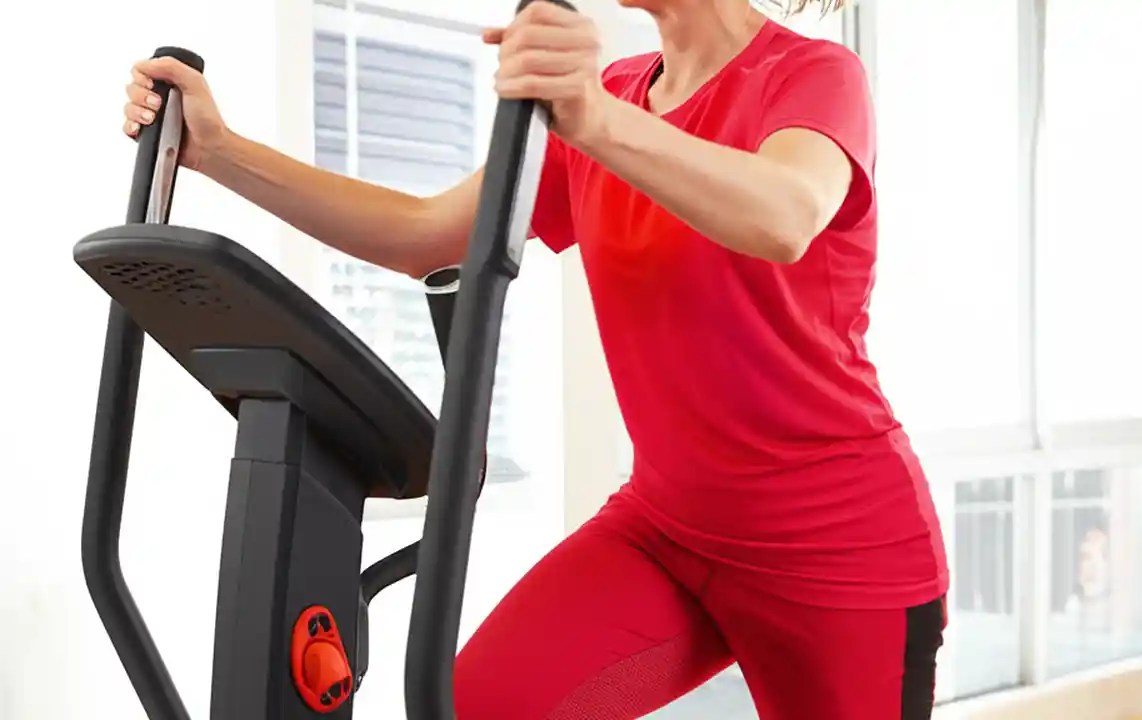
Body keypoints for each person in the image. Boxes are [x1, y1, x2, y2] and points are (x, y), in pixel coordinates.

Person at [121, 0, 949, 716]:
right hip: (667, 532)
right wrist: (219, 150)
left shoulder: (811, 76)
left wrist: (595, 119)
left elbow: (784, 214)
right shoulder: (612, 98)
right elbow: (421, 235)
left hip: (840, 551)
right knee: (474, 708)